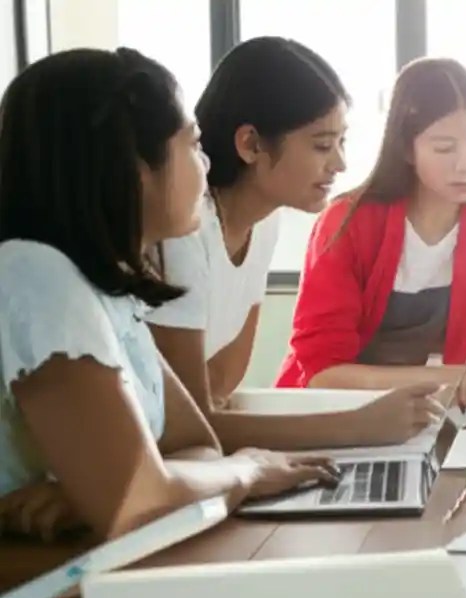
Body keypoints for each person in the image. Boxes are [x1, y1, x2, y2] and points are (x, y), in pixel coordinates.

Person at [0, 48, 336, 542]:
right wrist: (246, 471)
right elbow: (141, 500)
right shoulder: (37, 274)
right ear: (134, 168)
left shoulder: (109, 287)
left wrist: (106, 493)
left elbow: (196, 445)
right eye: (193, 145)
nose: (204, 164)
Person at [147, 37, 442, 452]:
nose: (338, 163)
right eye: (322, 145)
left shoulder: (264, 223)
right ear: (250, 144)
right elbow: (187, 426)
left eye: (342, 142)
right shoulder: (186, 233)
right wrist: (355, 426)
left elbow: (222, 387)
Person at [276, 58, 466, 398]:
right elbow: (324, 374)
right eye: (444, 147)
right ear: (406, 148)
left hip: (442, 421)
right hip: (336, 420)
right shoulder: (348, 224)